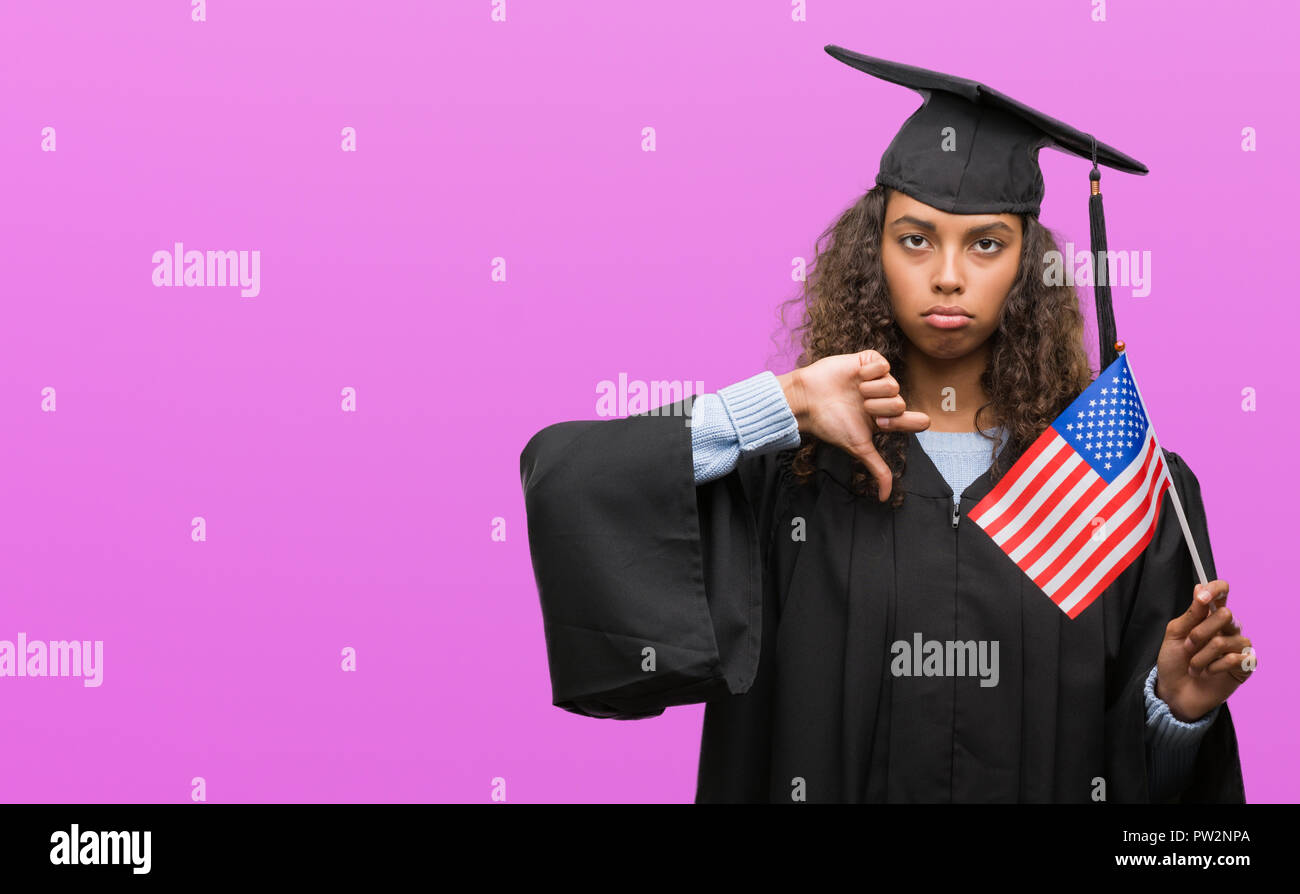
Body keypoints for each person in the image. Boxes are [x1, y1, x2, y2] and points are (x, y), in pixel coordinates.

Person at [519, 47, 1250, 803]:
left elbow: (1165, 813)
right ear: (875, 253)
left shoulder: (1113, 485)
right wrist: (786, 402)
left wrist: (1176, 717)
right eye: (916, 238)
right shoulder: (787, 473)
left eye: (986, 243)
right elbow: (568, 480)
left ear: (1028, 268)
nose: (948, 275)